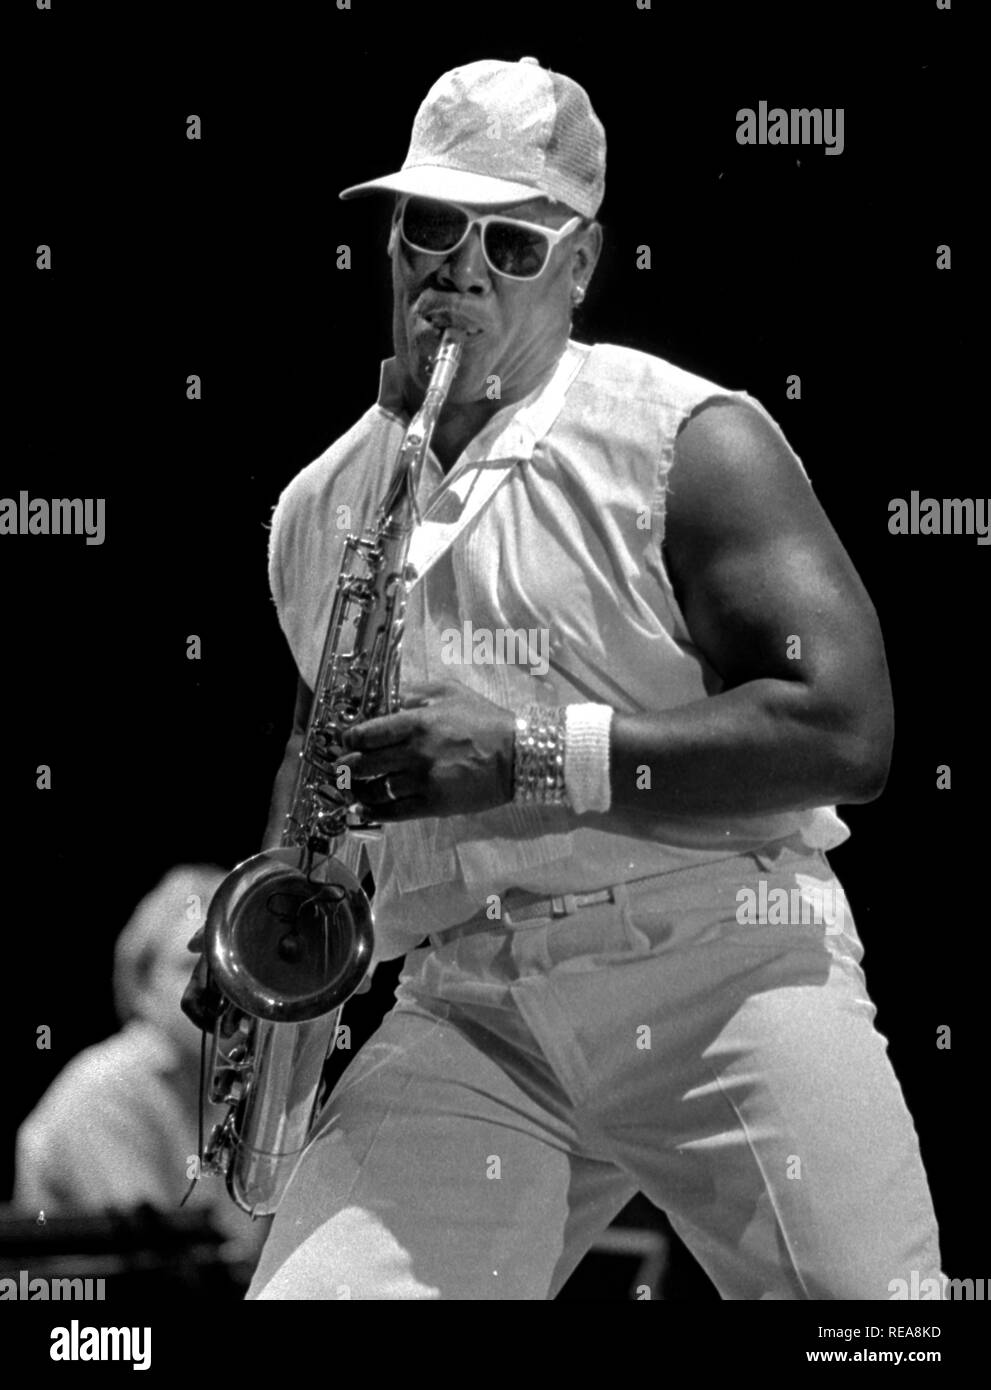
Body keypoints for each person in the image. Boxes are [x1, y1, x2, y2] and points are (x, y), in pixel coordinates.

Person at [195, 57, 943, 1299]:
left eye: (514, 239)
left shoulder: (690, 443)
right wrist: (276, 909)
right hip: (470, 1005)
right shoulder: (318, 509)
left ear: (582, 264)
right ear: (391, 240)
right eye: (431, 224)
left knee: (876, 1327)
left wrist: (532, 753)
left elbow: (847, 732)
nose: (462, 265)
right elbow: (323, 740)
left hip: (722, 963)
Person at [15, 866, 264, 1270]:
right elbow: (161, 1265)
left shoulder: (226, 1085)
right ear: (143, 984)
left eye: (232, 969)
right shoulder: (104, 1087)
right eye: (191, 967)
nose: (219, 990)